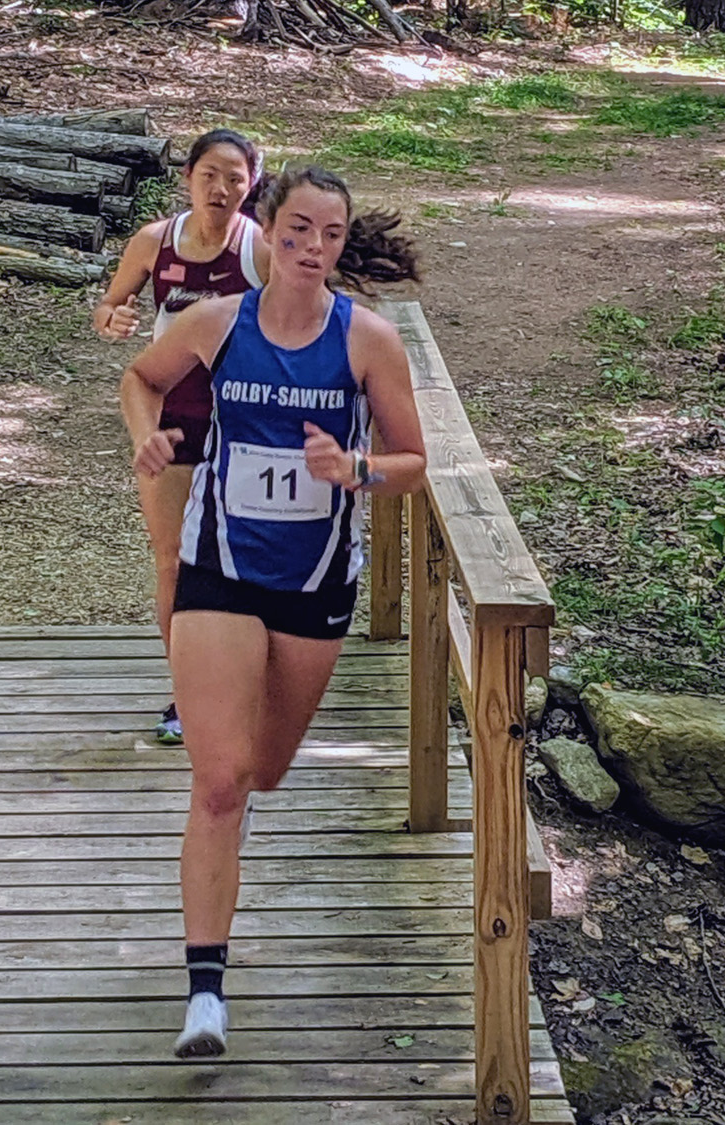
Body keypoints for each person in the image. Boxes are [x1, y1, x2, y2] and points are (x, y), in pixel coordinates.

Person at [117, 166, 424, 1060]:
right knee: (218, 782)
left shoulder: (367, 342)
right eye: (295, 229)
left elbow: (413, 460)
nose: (309, 248)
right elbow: (141, 377)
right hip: (218, 567)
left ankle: (231, 803)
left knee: (263, 770)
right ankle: (204, 992)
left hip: (315, 581)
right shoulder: (217, 322)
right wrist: (148, 433)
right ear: (269, 228)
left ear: (342, 244)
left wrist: (356, 471)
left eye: (328, 234)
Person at [93, 129, 268, 746]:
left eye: (235, 178)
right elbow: (109, 309)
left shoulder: (260, 250)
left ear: (252, 185)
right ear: (188, 177)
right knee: (173, 562)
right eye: (209, 175)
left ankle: (245, 688)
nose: (221, 190)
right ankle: (187, 696)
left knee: (244, 561)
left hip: (246, 425)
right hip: (172, 418)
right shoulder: (153, 243)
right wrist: (115, 318)